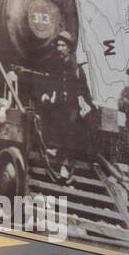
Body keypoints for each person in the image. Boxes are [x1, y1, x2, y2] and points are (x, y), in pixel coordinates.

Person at [40, 31, 94, 178]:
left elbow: (84, 90)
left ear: (69, 48)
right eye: (58, 45)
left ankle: (65, 164)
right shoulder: (56, 65)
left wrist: (89, 105)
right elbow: (50, 83)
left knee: (70, 126)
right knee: (52, 117)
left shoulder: (76, 68)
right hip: (59, 105)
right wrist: (47, 94)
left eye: (63, 45)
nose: (59, 48)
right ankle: (55, 148)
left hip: (73, 106)